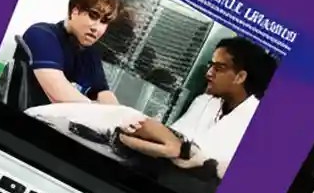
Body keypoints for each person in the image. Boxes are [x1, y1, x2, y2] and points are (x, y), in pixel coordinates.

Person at [118, 36, 277, 178]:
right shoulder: (203, 101)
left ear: (240, 77)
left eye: (218, 68)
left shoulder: (260, 125)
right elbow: (171, 139)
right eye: (210, 66)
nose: (208, 73)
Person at [21, 0, 122, 107]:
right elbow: (58, 93)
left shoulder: (90, 53)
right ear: (75, 11)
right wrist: (100, 111)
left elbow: (104, 93)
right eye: (93, 15)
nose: (97, 28)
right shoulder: (41, 34)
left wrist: (120, 114)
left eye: (104, 21)